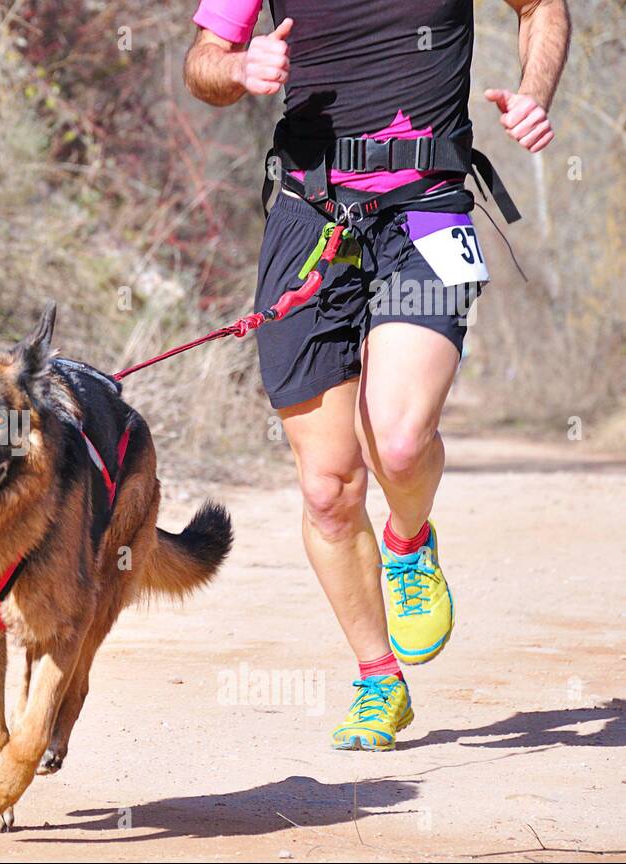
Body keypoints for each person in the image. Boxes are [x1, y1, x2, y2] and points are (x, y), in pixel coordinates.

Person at [184, 0, 570, 749]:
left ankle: (408, 541)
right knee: (328, 485)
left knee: (396, 441)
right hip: (310, 208)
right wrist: (237, 67)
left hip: (427, 206)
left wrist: (535, 92)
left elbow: (542, 6)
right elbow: (203, 61)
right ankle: (377, 677)